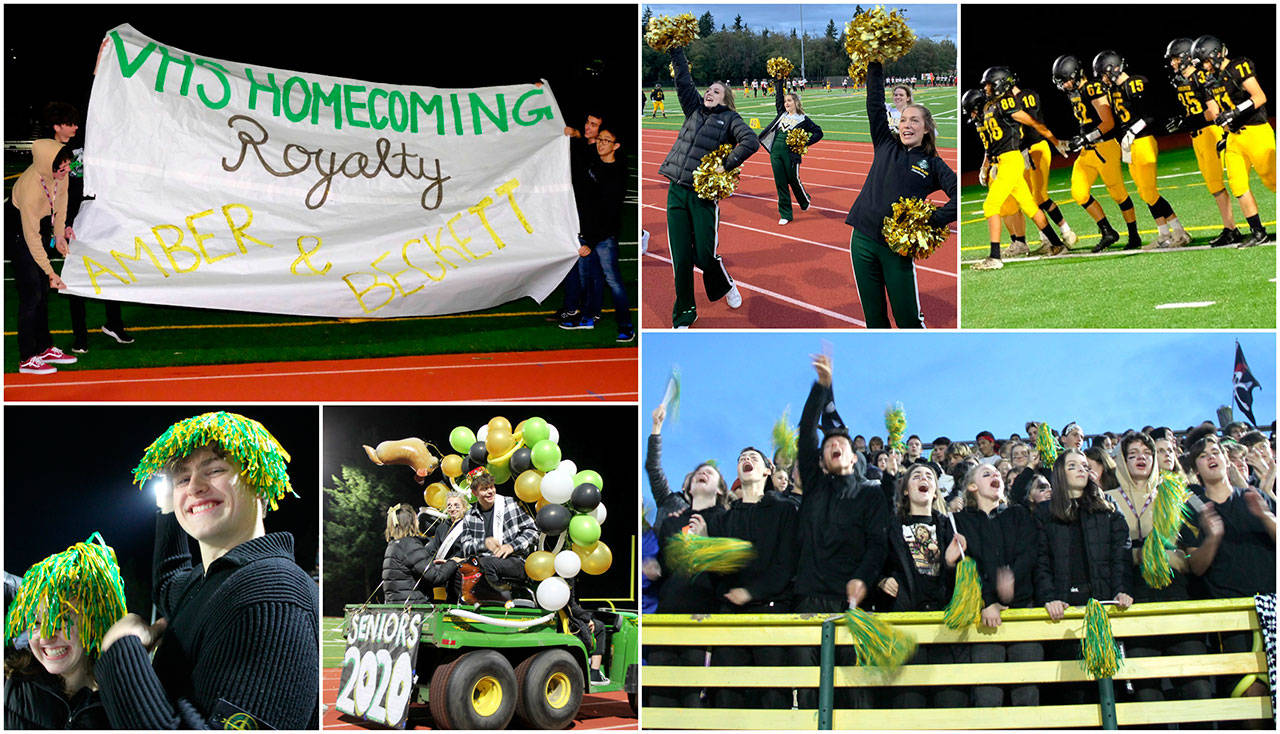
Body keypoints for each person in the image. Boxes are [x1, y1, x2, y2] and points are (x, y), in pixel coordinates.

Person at [97, 412, 318, 729]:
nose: (195, 487)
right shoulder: (210, 580)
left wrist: (122, 654)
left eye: (214, 470)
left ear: (262, 481)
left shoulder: (272, 593)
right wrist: (168, 510)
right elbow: (168, 583)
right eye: (182, 479)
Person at [794, 354, 889, 708]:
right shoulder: (816, 485)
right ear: (820, 459)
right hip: (806, 602)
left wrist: (864, 578)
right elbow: (806, 430)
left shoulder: (871, 494)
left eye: (842, 445)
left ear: (853, 457)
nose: (834, 445)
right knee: (809, 693)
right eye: (829, 444)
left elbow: (878, 544)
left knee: (853, 692)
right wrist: (821, 387)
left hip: (851, 604)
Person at [846, 60, 956, 328]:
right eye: (903, 120)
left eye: (914, 121)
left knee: (908, 320)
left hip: (896, 248)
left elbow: (958, 198)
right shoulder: (885, 143)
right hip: (861, 240)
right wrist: (875, 64)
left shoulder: (932, 163)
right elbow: (874, 106)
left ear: (926, 128)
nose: (907, 125)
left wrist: (930, 220)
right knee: (874, 319)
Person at [1106, 432, 1213, 706]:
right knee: (1145, 691)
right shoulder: (1106, 500)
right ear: (1121, 461)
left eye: (1147, 453)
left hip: (1176, 593)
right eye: (1132, 454)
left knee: (1196, 687)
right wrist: (1139, 555)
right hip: (1131, 598)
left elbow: (1195, 546)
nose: (1141, 457)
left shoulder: (1176, 493)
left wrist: (1171, 556)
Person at [659, 46, 759, 327]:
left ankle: (726, 285)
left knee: (704, 255)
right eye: (709, 90)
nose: (710, 93)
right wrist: (675, 49)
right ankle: (685, 313)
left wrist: (725, 164)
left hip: (703, 195)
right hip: (677, 190)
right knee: (680, 258)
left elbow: (750, 142)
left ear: (725, 98)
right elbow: (683, 80)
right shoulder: (692, 109)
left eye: (716, 91)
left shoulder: (730, 119)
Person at [644, 405, 728, 709]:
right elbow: (653, 470)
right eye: (697, 472)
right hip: (667, 615)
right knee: (659, 699)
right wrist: (655, 566)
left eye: (711, 472)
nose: (703, 472)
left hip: (704, 619)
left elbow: (730, 569)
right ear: (687, 486)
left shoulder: (726, 520)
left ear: (720, 489)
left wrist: (706, 544)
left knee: (693, 700)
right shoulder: (671, 520)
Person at [1182, 436, 1274, 711]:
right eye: (1203, 455)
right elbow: (1194, 565)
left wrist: (1267, 518)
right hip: (1233, 616)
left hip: (1273, 607)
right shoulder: (1190, 512)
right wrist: (1212, 537)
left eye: (1216, 451)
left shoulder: (1257, 498)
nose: (1211, 457)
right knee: (1250, 699)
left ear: (1226, 459)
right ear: (1197, 470)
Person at [1036, 448, 1132, 704]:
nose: (1082, 470)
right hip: (1063, 614)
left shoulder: (1109, 510)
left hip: (1105, 608)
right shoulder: (1043, 513)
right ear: (1058, 474)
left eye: (1084, 466)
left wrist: (1122, 590)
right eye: (1072, 466)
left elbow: (1121, 555)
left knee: (1115, 691)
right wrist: (1049, 597)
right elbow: (1040, 560)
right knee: (1072, 695)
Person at [705, 447, 797, 709]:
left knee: (772, 697)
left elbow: (787, 563)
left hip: (772, 615)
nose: (746, 460)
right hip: (730, 618)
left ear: (768, 470)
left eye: (753, 458)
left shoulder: (784, 510)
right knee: (727, 697)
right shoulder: (723, 519)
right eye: (741, 459)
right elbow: (717, 570)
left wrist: (753, 592)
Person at [5, 534, 127, 729]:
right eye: (36, 622)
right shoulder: (12, 682)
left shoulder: (124, 704)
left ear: (93, 621)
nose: (45, 636)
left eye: (61, 620)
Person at [42, 102, 132, 353]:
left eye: (76, 123)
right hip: (73, 221)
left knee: (112, 267)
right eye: (69, 124)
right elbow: (51, 193)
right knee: (76, 277)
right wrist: (61, 225)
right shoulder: (49, 152)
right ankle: (80, 336)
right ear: (56, 127)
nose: (75, 127)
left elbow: (97, 96)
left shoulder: (87, 138)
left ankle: (114, 324)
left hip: (99, 214)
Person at [878, 460, 967, 708]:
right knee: (909, 703)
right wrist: (882, 581)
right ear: (906, 489)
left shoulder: (950, 525)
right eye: (916, 475)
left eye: (929, 476)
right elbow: (875, 564)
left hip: (943, 628)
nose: (923, 479)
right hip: (906, 626)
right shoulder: (891, 526)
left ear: (936, 489)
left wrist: (951, 564)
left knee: (950, 702)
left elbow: (962, 583)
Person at [953, 462, 1043, 707]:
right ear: (972, 486)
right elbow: (965, 566)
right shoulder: (959, 522)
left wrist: (1012, 577)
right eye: (986, 473)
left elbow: (1030, 552)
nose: (995, 475)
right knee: (987, 694)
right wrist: (987, 601)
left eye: (997, 474)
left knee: (1027, 691)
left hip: (1023, 611)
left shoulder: (1019, 514)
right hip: (983, 618)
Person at [971, 67, 1070, 271]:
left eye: (990, 84)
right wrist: (987, 165)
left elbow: (1033, 122)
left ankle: (995, 257)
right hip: (1002, 161)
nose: (986, 88)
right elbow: (989, 144)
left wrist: (1054, 140)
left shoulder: (1006, 103)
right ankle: (1057, 244)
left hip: (1011, 160)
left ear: (999, 84)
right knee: (1029, 206)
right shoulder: (989, 108)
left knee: (991, 206)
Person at [1092, 51, 1192, 250]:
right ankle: (1165, 234)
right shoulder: (1115, 89)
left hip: (1143, 142)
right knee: (1144, 192)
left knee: (1149, 192)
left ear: (1112, 69)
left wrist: (1132, 130)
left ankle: (1179, 232)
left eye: (1103, 74)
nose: (1103, 79)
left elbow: (1151, 115)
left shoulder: (1135, 83)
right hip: (1130, 144)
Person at [1050, 55, 1143, 251]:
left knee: (1118, 194)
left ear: (1075, 75)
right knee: (1079, 192)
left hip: (1106, 147)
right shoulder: (1074, 92)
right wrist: (1081, 139)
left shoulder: (1093, 88)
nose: (1065, 85)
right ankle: (1108, 231)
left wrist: (1086, 138)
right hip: (1088, 151)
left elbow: (1108, 122)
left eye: (1065, 80)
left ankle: (1134, 235)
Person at [1193, 35, 1275, 247]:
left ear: (1215, 55)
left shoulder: (1239, 67)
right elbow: (1216, 113)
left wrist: (1235, 112)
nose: (1204, 67)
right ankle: (1258, 231)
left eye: (1205, 61)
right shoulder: (1212, 79)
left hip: (1256, 132)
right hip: (1233, 138)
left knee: (1272, 180)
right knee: (1238, 185)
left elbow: (1259, 97)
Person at [1163, 40, 1243, 246]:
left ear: (1186, 57)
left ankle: (1243, 226)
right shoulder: (1181, 80)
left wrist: (1186, 121)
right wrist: (1184, 120)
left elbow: (1211, 112)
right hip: (1198, 136)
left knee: (1231, 181)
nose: (1172, 63)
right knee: (1214, 185)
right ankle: (1230, 228)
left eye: (1175, 58)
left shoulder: (1202, 77)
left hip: (1212, 132)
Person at [561, 125, 634, 341]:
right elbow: (579, 152)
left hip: (602, 238)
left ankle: (626, 326)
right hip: (586, 234)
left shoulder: (617, 173)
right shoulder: (593, 162)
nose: (601, 144)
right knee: (588, 279)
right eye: (600, 140)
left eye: (606, 141)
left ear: (616, 146)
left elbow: (609, 214)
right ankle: (587, 317)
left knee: (613, 281)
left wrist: (590, 242)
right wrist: (574, 136)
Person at [10, 139, 76, 374]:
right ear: (48, 165)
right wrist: (50, 271)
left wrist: (59, 235)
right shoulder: (31, 189)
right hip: (19, 233)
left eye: (68, 165)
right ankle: (27, 357)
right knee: (32, 294)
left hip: (40, 226)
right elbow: (31, 238)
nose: (67, 170)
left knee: (43, 294)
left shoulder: (60, 173)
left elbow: (62, 203)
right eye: (62, 168)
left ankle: (44, 347)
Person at [457, 470, 538, 587]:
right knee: (458, 568)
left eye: (491, 487)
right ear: (475, 493)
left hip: (513, 559)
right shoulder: (470, 515)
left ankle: (500, 597)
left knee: (485, 565)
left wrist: (512, 546)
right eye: (484, 489)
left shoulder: (509, 504)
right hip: (483, 561)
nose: (490, 491)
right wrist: (483, 544)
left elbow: (532, 530)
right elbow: (465, 547)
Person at [758, 88, 824, 226]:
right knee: (780, 182)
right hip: (775, 152)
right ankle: (786, 213)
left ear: (796, 102)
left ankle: (804, 201)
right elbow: (778, 99)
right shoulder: (782, 114)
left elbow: (818, 132)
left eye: (789, 101)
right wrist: (779, 79)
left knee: (793, 179)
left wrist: (804, 143)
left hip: (791, 154)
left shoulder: (803, 119)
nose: (786, 103)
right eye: (785, 101)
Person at [382, 503, 459, 604]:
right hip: (414, 607)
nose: (418, 521)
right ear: (411, 522)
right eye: (416, 518)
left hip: (398, 606)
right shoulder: (409, 545)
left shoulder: (393, 545)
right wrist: (453, 562)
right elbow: (436, 577)